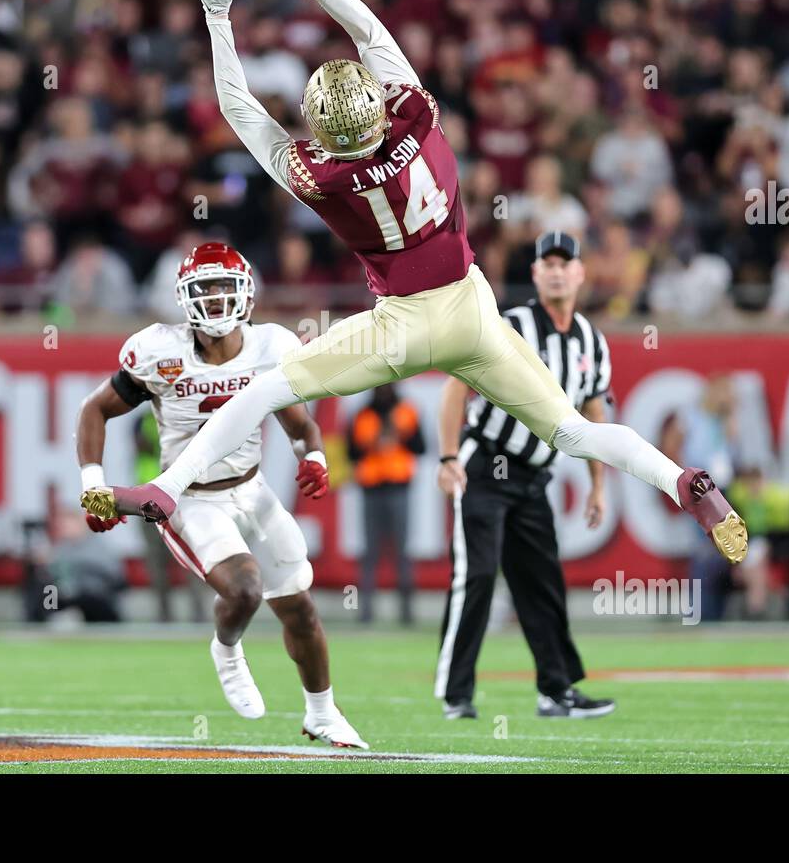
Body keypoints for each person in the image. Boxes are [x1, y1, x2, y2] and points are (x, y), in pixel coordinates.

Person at [81, 0, 748, 571]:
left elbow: (240, 110)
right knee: (571, 431)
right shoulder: (418, 118)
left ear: (320, 126)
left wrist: (217, 10)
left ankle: (167, 490)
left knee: (259, 395)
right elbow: (368, 29)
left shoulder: (321, 177)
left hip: (403, 324)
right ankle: (682, 480)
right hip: (471, 307)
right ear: (374, 103)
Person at [74, 241, 367, 749]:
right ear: (185, 297)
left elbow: (299, 422)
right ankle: (226, 650)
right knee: (246, 589)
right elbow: (93, 410)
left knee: (299, 606)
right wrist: (93, 489)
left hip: (252, 490)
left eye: (224, 287)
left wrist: (313, 457)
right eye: (204, 288)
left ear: (247, 293)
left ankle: (322, 713)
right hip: (188, 500)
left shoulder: (271, 347)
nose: (214, 299)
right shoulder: (159, 351)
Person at [435, 232, 614, 720]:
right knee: (475, 576)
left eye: (565, 263)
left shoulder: (591, 341)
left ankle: (555, 691)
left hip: (535, 474)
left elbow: (593, 414)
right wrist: (448, 457)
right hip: (485, 465)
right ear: (535, 273)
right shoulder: (509, 325)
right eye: (547, 263)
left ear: (580, 273)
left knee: (542, 583)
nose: (556, 271)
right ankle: (456, 694)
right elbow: (456, 388)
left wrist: (598, 483)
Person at [347, 383, 424, 625]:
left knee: (402, 551)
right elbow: (350, 452)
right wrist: (372, 444)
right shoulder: (363, 414)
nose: (383, 390)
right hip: (371, 489)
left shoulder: (407, 411)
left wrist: (400, 435)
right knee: (370, 552)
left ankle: (407, 612)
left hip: (399, 488)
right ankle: (366, 611)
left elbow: (421, 447)